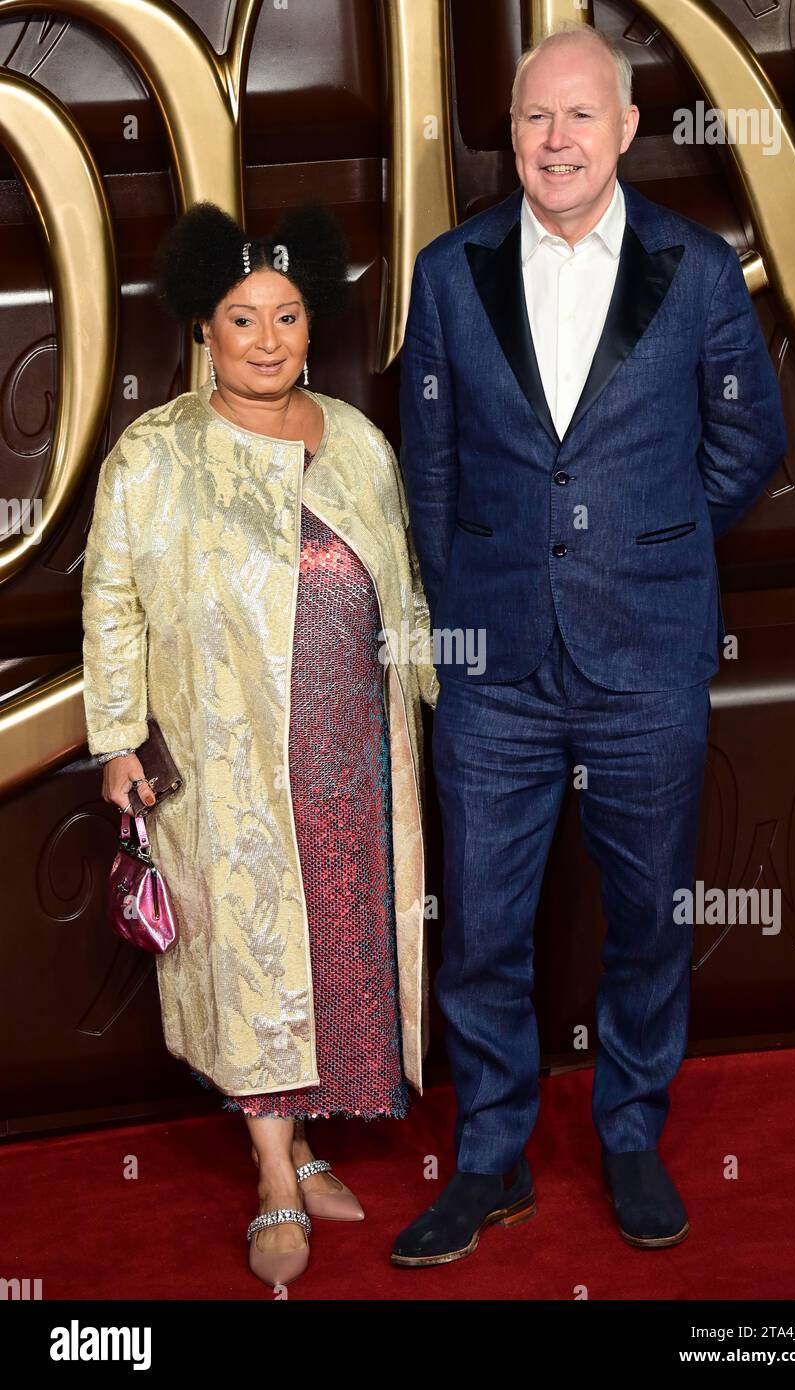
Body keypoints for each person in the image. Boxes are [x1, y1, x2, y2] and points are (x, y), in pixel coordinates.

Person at [393, 23, 786, 1265]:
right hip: (496, 667)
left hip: (648, 656)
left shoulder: (699, 269)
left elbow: (748, 446)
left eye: (579, 116)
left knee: (648, 917)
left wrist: (649, 541)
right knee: (486, 929)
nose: (554, 139)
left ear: (624, 130)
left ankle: (629, 1134)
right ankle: (492, 1158)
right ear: (508, 136)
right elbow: (431, 471)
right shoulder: (451, 272)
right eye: (532, 119)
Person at [81, 201, 438, 1288]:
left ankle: (311, 1135)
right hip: (229, 765)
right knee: (246, 961)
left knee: (332, 951)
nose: (270, 339)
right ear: (204, 330)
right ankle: (275, 1171)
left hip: (353, 760)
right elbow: (112, 600)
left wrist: (426, 706)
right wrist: (115, 737)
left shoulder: (358, 438)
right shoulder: (156, 454)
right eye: (244, 320)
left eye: (287, 316)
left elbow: (404, 583)